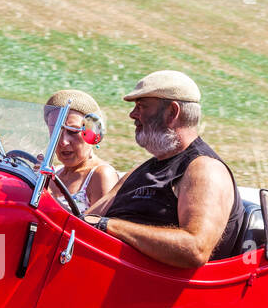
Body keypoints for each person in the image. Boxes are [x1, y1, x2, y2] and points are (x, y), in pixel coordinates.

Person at [83, 70, 244, 267]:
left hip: (154, 292)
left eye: (141, 106)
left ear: (172, 112)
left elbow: (196, 248)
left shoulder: (204, 169)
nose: (133, 114)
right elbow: (84, 221)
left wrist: (111, 226)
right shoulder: (142, 170)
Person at [43, 89, 119, 214]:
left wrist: (47, 197)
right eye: (56, 132)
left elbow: (97, 230)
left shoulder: (101, 175)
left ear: (93, 134)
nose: (63, 142)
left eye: (73, 131)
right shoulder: (53, 172)